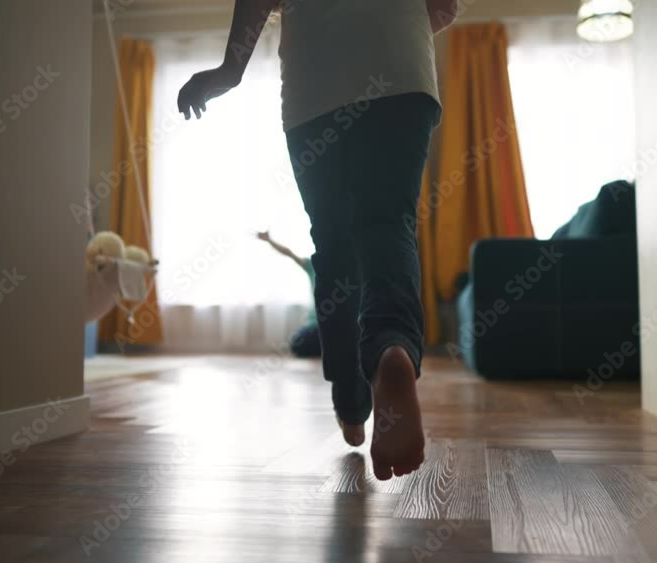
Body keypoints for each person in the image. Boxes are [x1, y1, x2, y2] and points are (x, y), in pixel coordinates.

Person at [177, 0, 459, 480]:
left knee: (333, 249)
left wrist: (229, 71)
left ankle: (352, 404)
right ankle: (392, 351)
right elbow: (445, 6)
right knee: (388, 223)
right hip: (399, 68)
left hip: (317, 84)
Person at [255, 230, 321, 358]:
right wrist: (269, 240)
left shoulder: (341, 269)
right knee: (297, 344)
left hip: (336, 325)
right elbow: (289, 253)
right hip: (314, 326)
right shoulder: (312, 266)